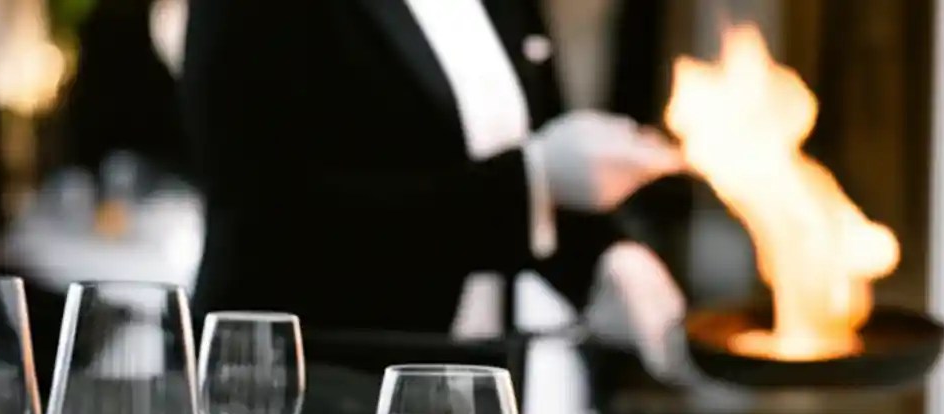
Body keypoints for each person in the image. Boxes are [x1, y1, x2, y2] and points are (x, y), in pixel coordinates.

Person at [181, 0, 686, 368]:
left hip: (476, 387)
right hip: (318, 397)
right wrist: (531, 186)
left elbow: (524, 150)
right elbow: (272, 215)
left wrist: (605, 252)